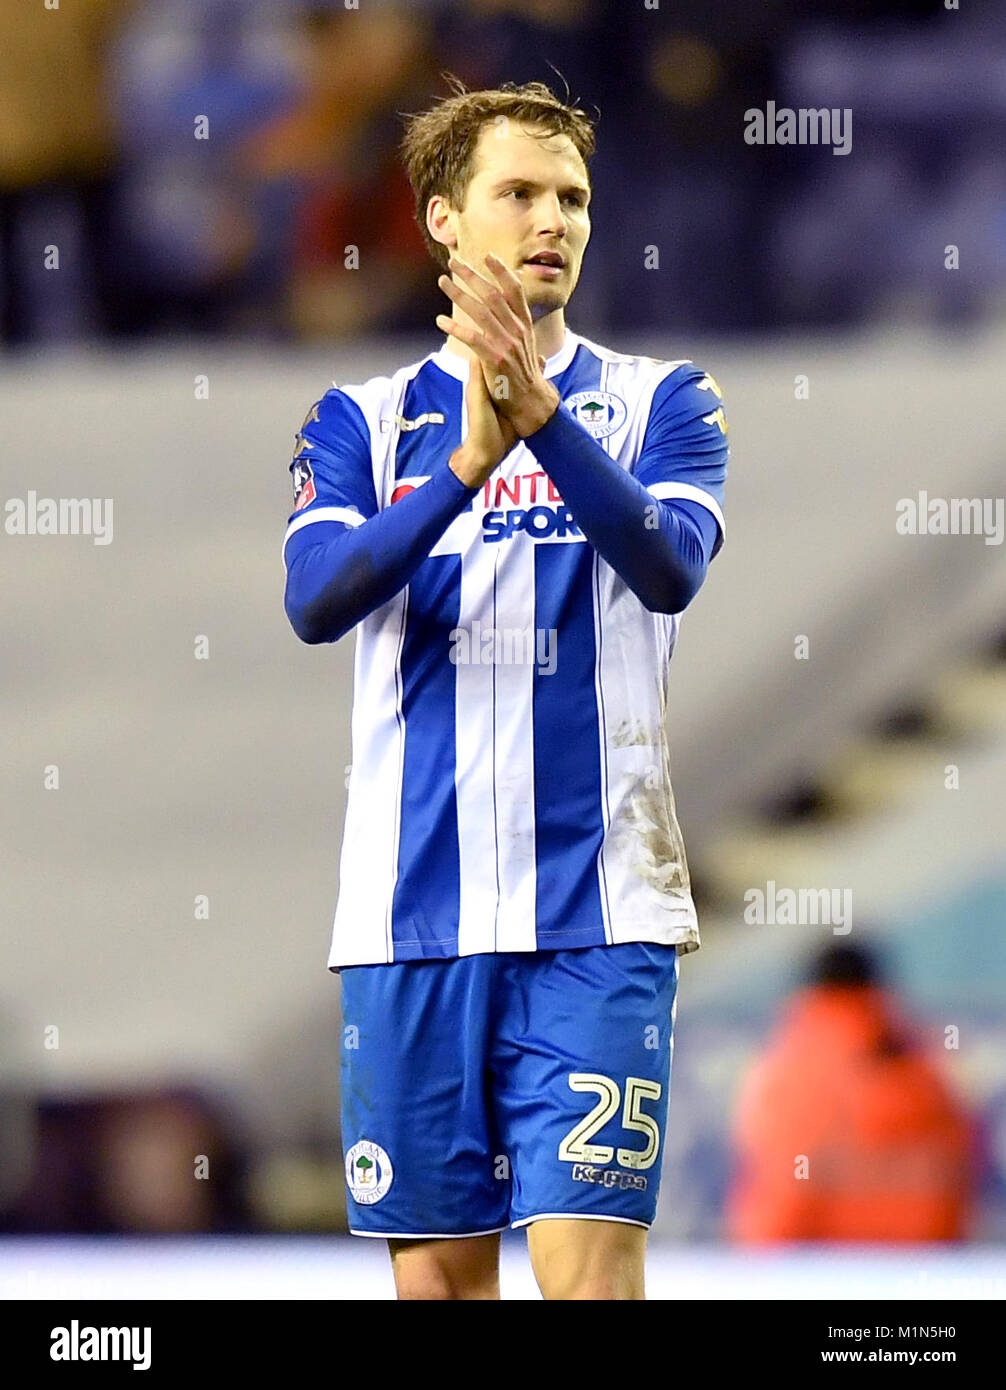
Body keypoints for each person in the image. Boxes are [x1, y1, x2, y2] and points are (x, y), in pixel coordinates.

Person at [282, 78, 729, 1299]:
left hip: (596, 915)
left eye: (573, 198)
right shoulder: (362, 424)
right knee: (437, 1290)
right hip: (407, 919)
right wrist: (461, 473)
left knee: (589, 1282)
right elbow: (316, 600)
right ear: (441, 220)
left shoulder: (657, 401)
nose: (553, 221)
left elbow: (670, 565)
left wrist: (539, 425)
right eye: (519, 193)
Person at [726, 942, 978, 1243]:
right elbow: (958, 1180)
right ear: (876, 988)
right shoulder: (928, 1075)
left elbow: (772, 1207)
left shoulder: (785, 1074)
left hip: (803, 1270)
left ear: (810, 991)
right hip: (921, 1267)